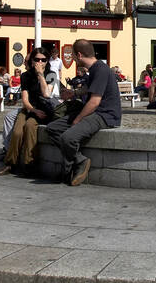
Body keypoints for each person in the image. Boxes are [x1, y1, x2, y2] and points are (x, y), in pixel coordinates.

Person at [43, 38, 122, 185]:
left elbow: (94, 102)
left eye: (73, 55)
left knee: (68, 137)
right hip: (95, 112)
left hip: (104, 115)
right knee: (52, 128)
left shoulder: (100, 69)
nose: (72, 59)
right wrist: (73, 93)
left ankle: (79, 163)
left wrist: (77, 120)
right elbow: (89, 89)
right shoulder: (94, 70)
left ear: (79, 55)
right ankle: (79, 159)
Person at [0, 49, 56, 174]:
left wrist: (40, 75)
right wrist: (33, 110)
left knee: (30, 126)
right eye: (37, 59)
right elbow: (25, 99)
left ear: (47, 61)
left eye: (43, 60)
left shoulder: (51, 74)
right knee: (18, 131)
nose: (40, 62)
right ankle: (10, 163)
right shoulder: (26, 76)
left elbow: (46, 94)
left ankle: (30, 163)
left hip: (43, 110)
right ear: (32, 60)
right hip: (29, 108)